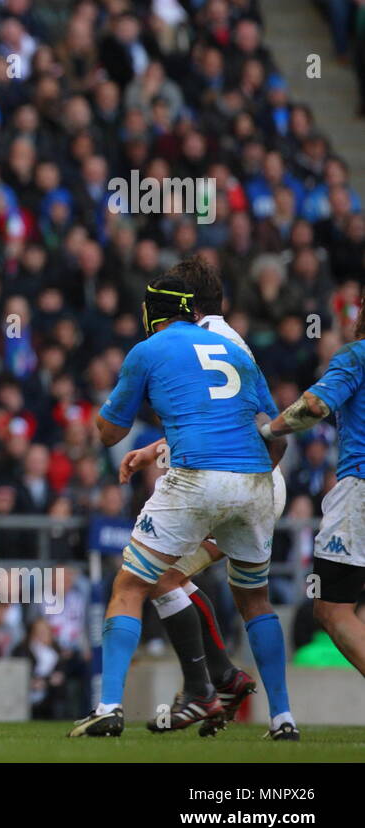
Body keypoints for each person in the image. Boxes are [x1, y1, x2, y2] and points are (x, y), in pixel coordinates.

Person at [73, 273, 298, 740]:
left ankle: (110, 707)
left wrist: (111, 418)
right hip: (255, 480)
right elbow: (266, 425)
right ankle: (280, 719)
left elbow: (109, 432)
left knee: (133, 582)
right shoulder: (233, 347)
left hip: (199, 478)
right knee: (252, 599)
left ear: (154, 314)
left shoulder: (151, 349)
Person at [116, 256, 272, 733]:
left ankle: (211, 683)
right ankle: (221, 688)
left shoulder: (202, 339)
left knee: (147, 578)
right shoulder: (223, 340)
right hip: (246, 474)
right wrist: (154, 449)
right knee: (172, 579)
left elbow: (249, 423)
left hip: (229, 476)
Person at [261, 297, 365, 683]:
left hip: (361, 488)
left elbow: (316, 405)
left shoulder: (356, 355)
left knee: (332, 608)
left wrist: (269, 431)